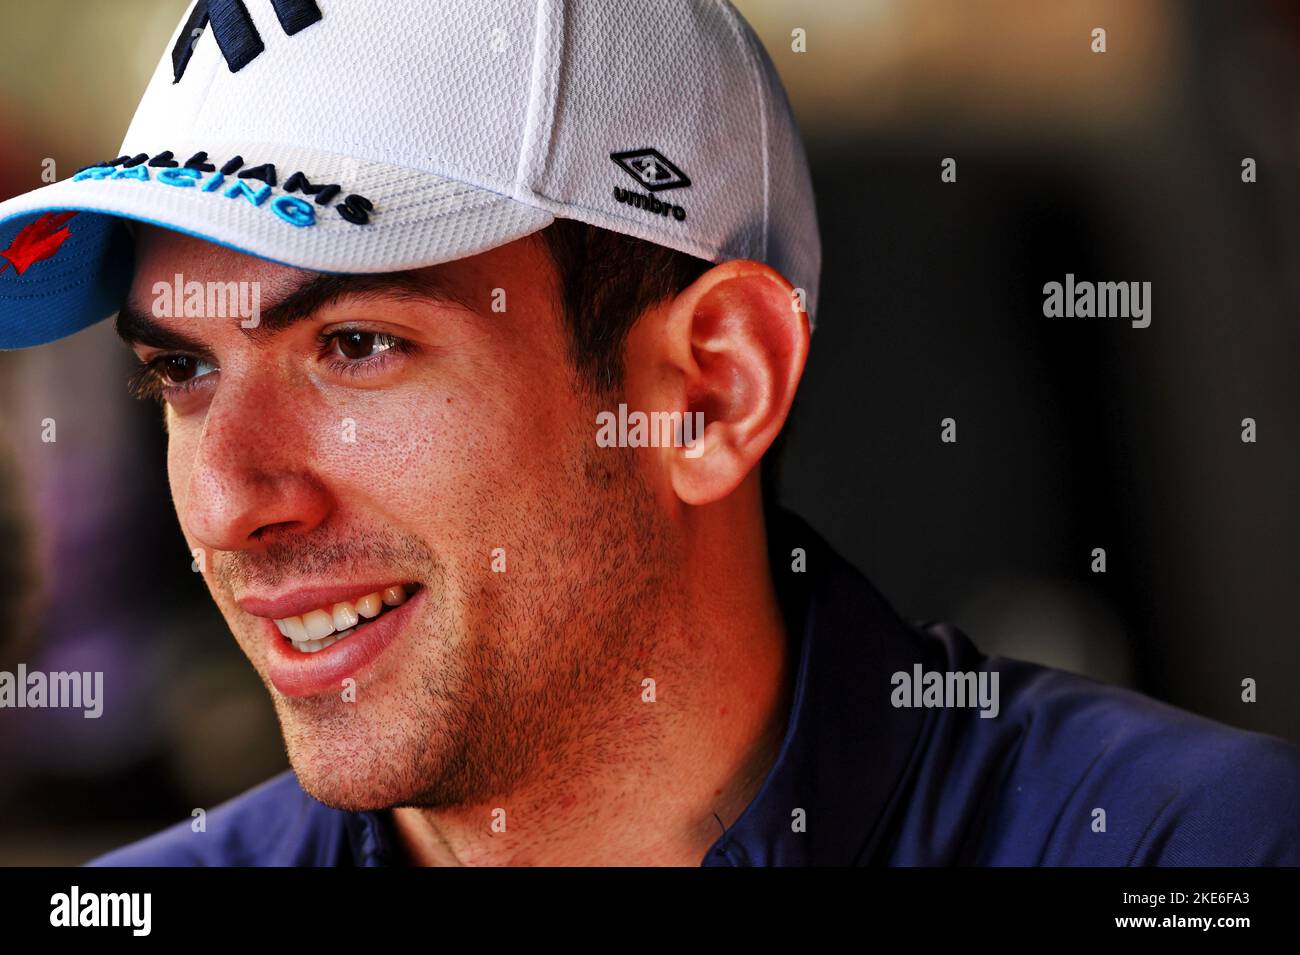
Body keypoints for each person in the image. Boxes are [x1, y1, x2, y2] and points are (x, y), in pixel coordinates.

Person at [0, 0, 1296, 866]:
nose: (229, 504)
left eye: (356, 348)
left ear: (712, 392)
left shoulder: (1198, 852)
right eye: (180, 371)